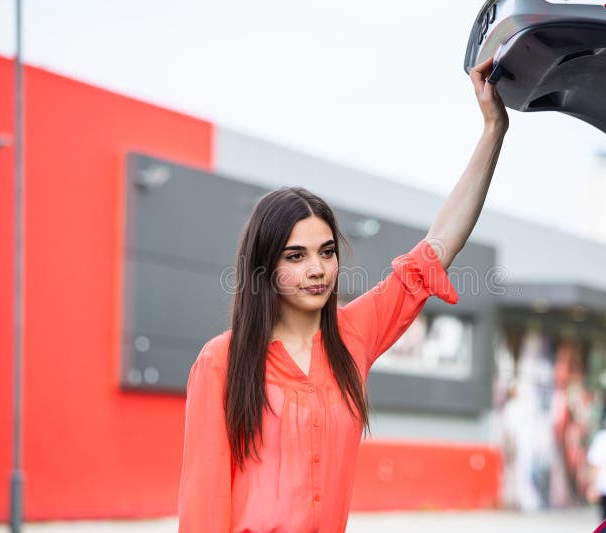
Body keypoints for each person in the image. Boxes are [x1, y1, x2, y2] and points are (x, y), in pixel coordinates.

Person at [176, 56, 508, 533]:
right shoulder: (221, 362)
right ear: (265, 267)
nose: (317, 270)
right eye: (295, 256)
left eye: (326, 252)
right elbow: (203, 505)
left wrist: (493, 128)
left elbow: (439, 243)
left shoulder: (354, 335)